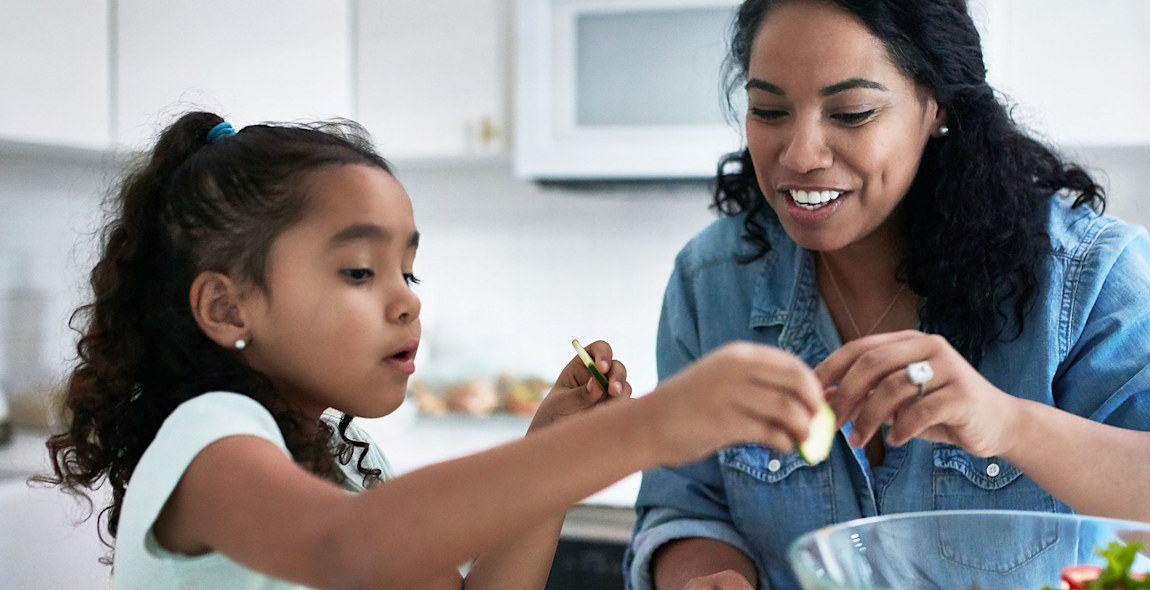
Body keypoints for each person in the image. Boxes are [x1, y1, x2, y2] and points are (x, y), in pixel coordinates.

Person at [37, 111, 829, 589]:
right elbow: (341, 551)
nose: (407, 296)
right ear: (226, 305)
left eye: (408, 268)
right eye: (358, 270)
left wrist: (555, 449)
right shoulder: (208, 440)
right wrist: (644, 430)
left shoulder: (350, 463)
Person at [625, 0, 1150, 589]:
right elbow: (687, 508)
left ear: (937, 107)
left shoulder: (1078, 274)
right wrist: (706, 575)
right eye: (769, 110)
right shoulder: (712, 282)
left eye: (850, 113)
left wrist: (1007, 422)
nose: (800, 155)